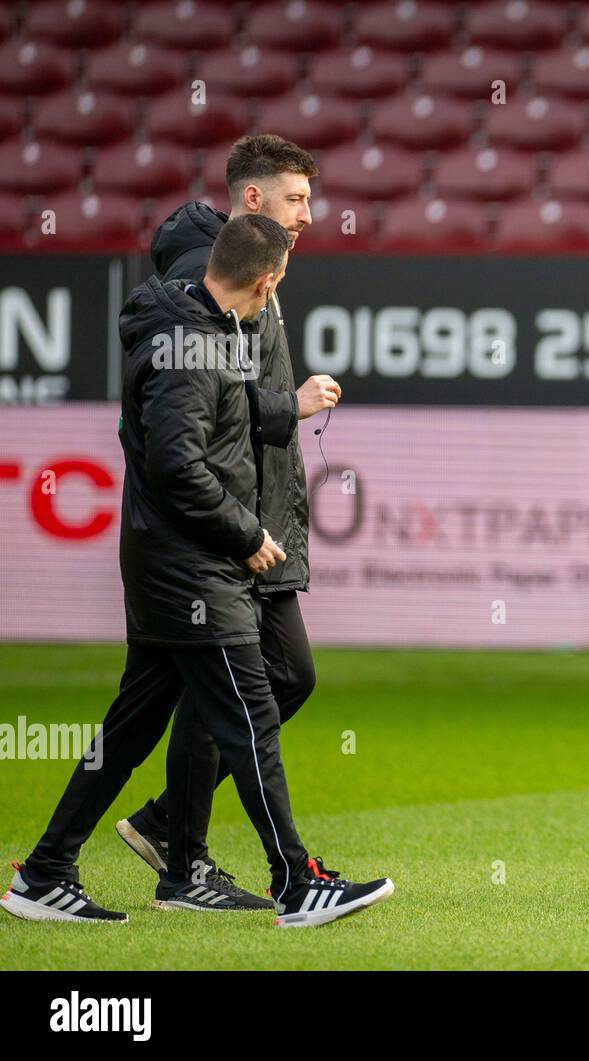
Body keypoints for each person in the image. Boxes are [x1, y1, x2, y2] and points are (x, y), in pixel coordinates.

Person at [1, 215, 393, 927]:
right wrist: (246, 533)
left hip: (168, 562)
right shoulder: (194, 344)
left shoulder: (190, 325)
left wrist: (279, 415)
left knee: (130, 729)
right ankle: (297, 883)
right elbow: (177, 463)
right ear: (266, 280)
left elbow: (211, 427)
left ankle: (46, 870)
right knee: (251, 718)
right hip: (191, 570)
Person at [114, 134, 340, 911]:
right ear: (253, 199)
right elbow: (197, 412)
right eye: (297, 198)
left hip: (250, 516)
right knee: (251, 687)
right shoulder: (201, 279)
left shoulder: (244, 265)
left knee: (248, 686)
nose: (310, 214)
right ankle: (189, 855)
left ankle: (160, 837)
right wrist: (290, 406)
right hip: (225, 532)